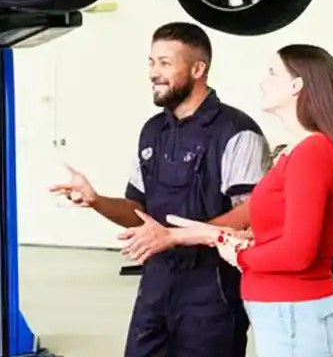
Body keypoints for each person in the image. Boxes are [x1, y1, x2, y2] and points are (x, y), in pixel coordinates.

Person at [50, 22, 272, 357]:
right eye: (151, 62)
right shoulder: (152, 132)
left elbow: (254, 213)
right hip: (156, 287)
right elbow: (137, 212)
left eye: (165, 63)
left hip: (212, 294)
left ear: (198, 69)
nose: (154, 73)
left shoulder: (237, 132)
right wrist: (95, 200)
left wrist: (176, 236)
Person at [209, 44, 333, 357]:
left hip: (296, 317)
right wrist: (251, 238)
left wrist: (240, 254)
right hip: (287, 316)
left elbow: (297, 253)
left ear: (297, 85)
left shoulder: (312, 152)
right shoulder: (294, 152)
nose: (262, 82)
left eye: (272, 72)